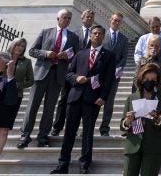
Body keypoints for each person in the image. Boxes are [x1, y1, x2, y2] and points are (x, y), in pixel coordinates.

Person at [52, 24, 116, 175]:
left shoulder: (109, 56)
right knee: (69, 132)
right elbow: (68, 74)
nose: (97, 36)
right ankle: (63, 164)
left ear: (103, 37)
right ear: (90, 36)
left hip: (93, 100)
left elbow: (109, 80)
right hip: (75, 98)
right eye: (94, 33)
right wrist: (76, 78)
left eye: (100, 34)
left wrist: (103, 97)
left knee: (87, 133)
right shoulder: (80, 54)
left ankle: (85, 165)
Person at [19, 9, 79, 149]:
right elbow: (32, 50)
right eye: (64, 17)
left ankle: (43, 136)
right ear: (58, 19)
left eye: (69, 18)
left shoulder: (73, 37)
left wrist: (68, 56)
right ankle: (25, 135)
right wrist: (45, 53)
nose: (67, 20)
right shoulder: (46, 32)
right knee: (32, 105)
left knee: (49, 108)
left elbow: (76, 56)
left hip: (58, 76)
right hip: (41, 73)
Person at [0, 38, 34, 174]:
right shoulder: (2, 56)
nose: (20, 48)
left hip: (14, 98)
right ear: (12, 45)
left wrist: (13, 84)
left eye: (23, 46)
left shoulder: (26, 62)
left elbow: (30, 80)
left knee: (3, 130)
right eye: (18, 45)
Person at [121, 63, 161, 176]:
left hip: (153, 147)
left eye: (153, 79)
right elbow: (122, 124)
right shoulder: (131, 97)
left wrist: (158, 118)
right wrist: (127, 121)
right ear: (142, 80)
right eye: (147, 79)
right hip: (133, 146)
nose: (150, 81)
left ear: (157, 81)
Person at [53, 9, 95, 136]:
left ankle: (81, 129)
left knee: (85, 101)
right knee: (64, 99)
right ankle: (57, 127)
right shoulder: (72, 33)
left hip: (87, 73)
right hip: (71, 72)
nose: (89, 19)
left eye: (91, 17)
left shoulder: (96, 35)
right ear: (82, 19)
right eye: (87, 17)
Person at [99, 12, 128, 137]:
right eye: (114, 20)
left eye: (119, 21)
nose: (116, 22)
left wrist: (118, 68)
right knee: (94, 101)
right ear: (110, 20)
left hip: (114, 76)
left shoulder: (124, 39)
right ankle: (87, 127)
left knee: (109, 103)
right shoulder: (101, 35)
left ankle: (104, 128)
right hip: (100, 75)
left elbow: (124, 56)